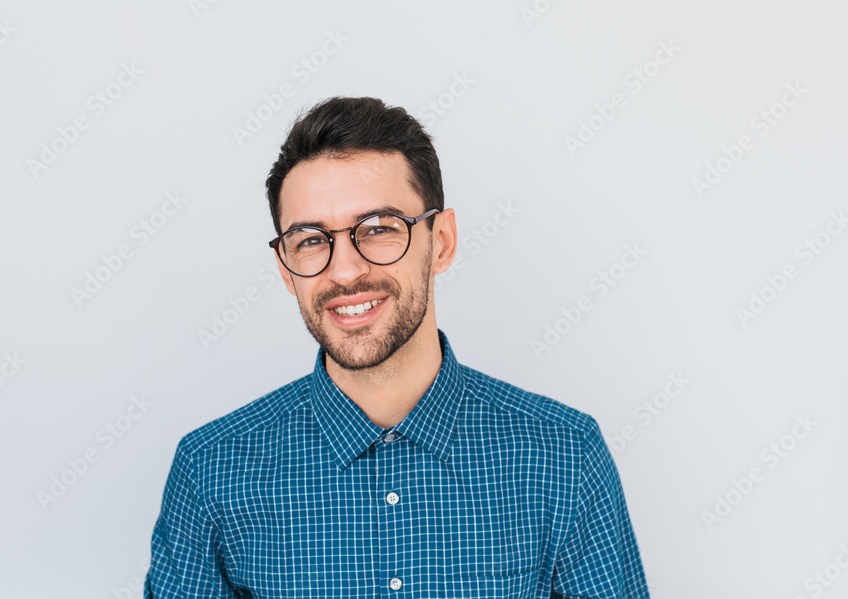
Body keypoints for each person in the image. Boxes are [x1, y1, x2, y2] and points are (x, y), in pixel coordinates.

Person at [144, 96, 650, 598]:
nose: (345, 271)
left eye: (379, 229)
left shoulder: (566, 456)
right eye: (311, 240)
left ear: (442, 242)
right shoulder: (211, 471)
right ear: (285, 269)